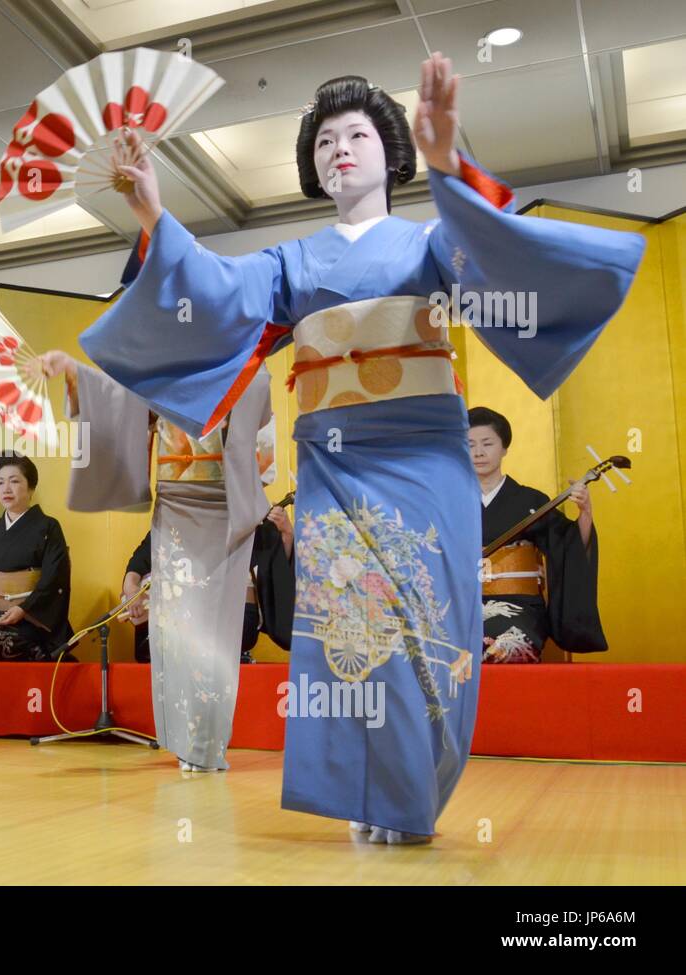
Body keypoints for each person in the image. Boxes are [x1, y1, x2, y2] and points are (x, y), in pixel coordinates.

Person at [77, 55, 644, 842]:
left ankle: (409, 795)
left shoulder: (426, 244)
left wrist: (449, 162)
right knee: (348, 631)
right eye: (324, 142)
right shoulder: (292, 262)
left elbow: (488, 246)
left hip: (422, 456)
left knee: (427, 622)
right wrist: (154, 219)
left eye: (357, 134)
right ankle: (367, 793)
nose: (338, 149)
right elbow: (211, 290)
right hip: (334, 464)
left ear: (391, 153)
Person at [44, 346, 289, 769]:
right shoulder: (165, 363)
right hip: (176, 504)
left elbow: (261, 446)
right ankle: (187, 739)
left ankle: (209, 742)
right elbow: (127, 407)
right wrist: (77, 378)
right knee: (177, 629)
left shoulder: (248, 359)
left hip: (225, 506)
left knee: (216, 631)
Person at [469, 406, 604, 663]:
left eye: (487, 443)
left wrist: (585, 512)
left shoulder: (530, 501)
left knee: (502, 648)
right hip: (462, 605)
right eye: (470, 445)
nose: (478, 452)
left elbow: (568, 546)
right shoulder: (449, 502)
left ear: (504, 448)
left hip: (519, 606)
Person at [122, 504, 295, 667]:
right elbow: (138, 564)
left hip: (235, 617)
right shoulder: (176, 523)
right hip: (185, 618)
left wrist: (286, 533)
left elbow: (276, 573)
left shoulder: (253, 526)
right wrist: (131, 591)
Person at [0, 453, 72, 661]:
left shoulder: (48, 527)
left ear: (31, 488)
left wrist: (23, 609)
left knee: (1, 646)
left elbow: (54, 579)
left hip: (30, 619)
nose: (6, 489)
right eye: (1, 482)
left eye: (14, 481)